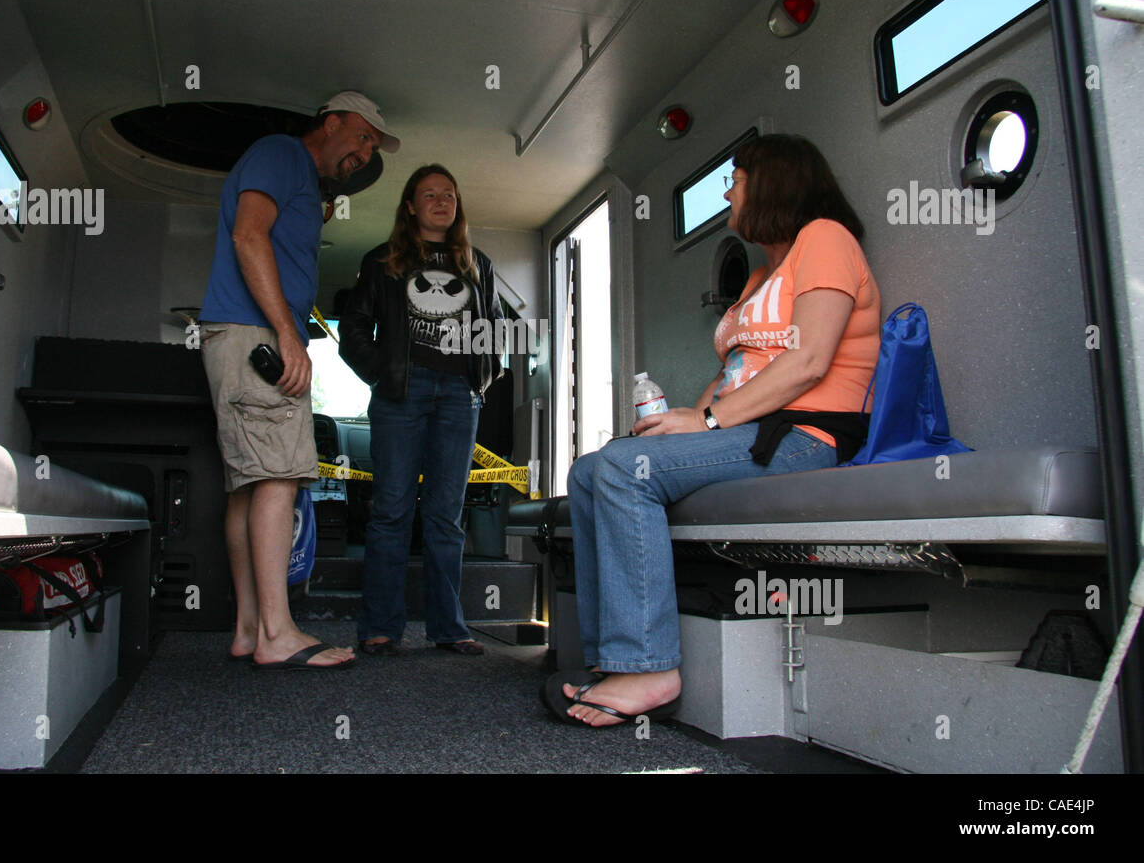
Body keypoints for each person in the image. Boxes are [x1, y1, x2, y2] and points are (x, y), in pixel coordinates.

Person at [542, 134, 881, 725]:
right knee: (594, 467)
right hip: (749, 427)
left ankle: (649, 667)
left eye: (737, 178)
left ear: (773, 182)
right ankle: (611, 660)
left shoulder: (826, 239)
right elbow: (731, 373)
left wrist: (705, 421)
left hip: (805, 437)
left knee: (625, 469)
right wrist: (679, 423)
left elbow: (809, 362)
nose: (728, 189)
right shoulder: (759, 275)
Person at [198, 91, 400, 670]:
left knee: (249, 484)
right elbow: (248, 235)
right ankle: (277, 632)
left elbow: (269, 237)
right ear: (330, 123)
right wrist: (288, 334)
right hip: (254, 336)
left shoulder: (301, 182)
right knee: (280, 478)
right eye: (361, 136)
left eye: (372, 146)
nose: (365, 151)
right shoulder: (281, 152)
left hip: (240, 334)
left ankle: (247, 629)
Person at [340, 164, 503, 657]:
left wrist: (482, 378)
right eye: (429, 194)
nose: (440, 201)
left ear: (457, 205)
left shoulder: (479, 266)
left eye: (448, 194)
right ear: (410, 205)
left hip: (458, 395)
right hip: (400, 397)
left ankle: (448, 629)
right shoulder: (381, 261)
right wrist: (384, 377)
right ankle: (380, 627)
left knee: (445, 516)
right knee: (390, 511)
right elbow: (353, 333)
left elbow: (495, 332)